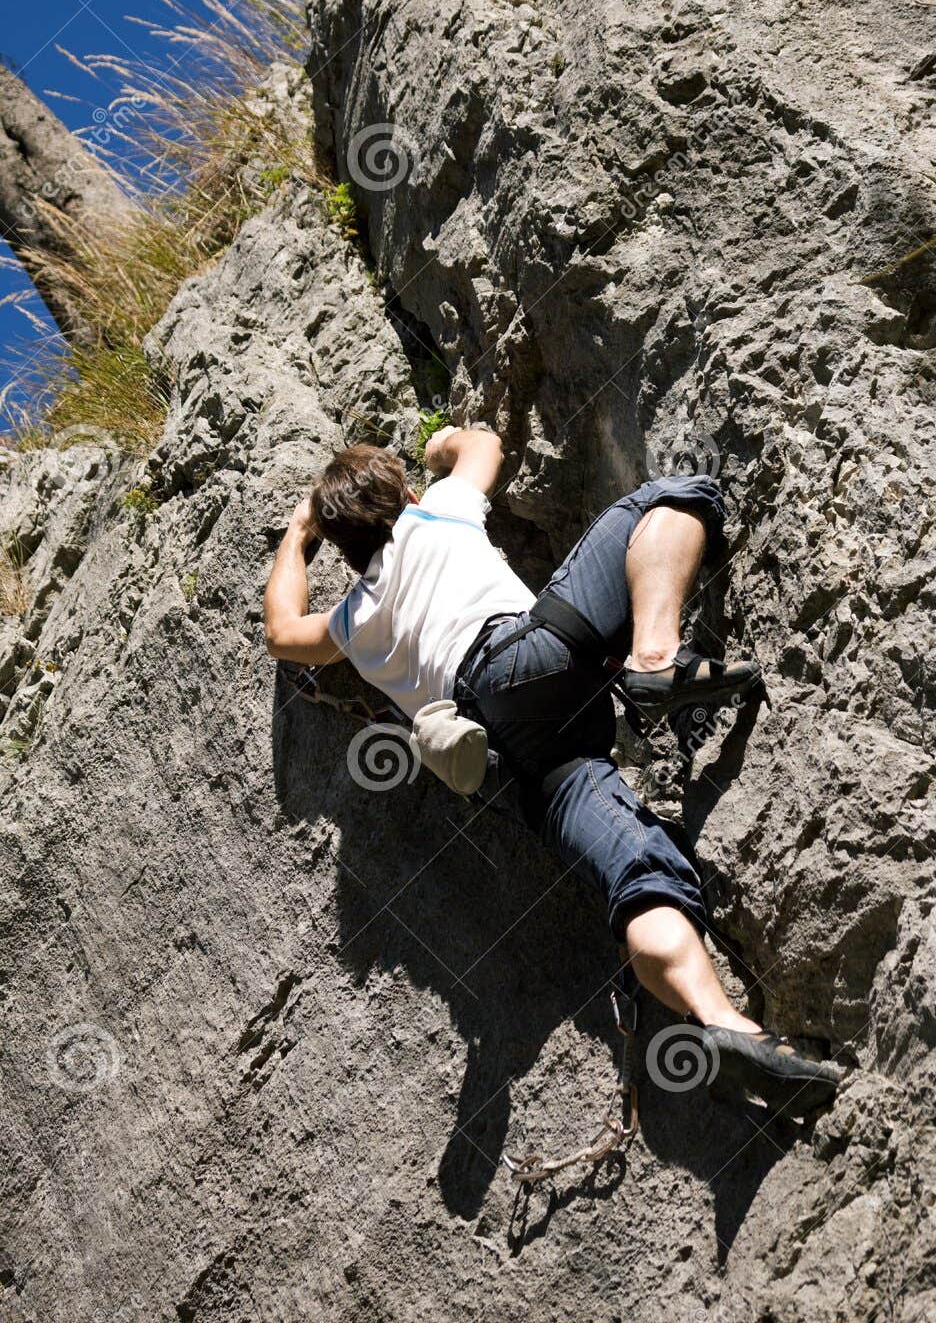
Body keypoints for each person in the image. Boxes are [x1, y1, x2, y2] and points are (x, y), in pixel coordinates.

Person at [263, 425, 841, 1118]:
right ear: (406, 497)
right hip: (528, 656)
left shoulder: (354, 622)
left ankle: (719, 1020)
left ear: (348, 551)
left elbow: (280, 633)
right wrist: (437, 445)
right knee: (668, 497)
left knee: (639, 876)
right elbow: (483, 443)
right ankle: (655, 654)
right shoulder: (435, 511)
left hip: (509, 761)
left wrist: (299, 537)